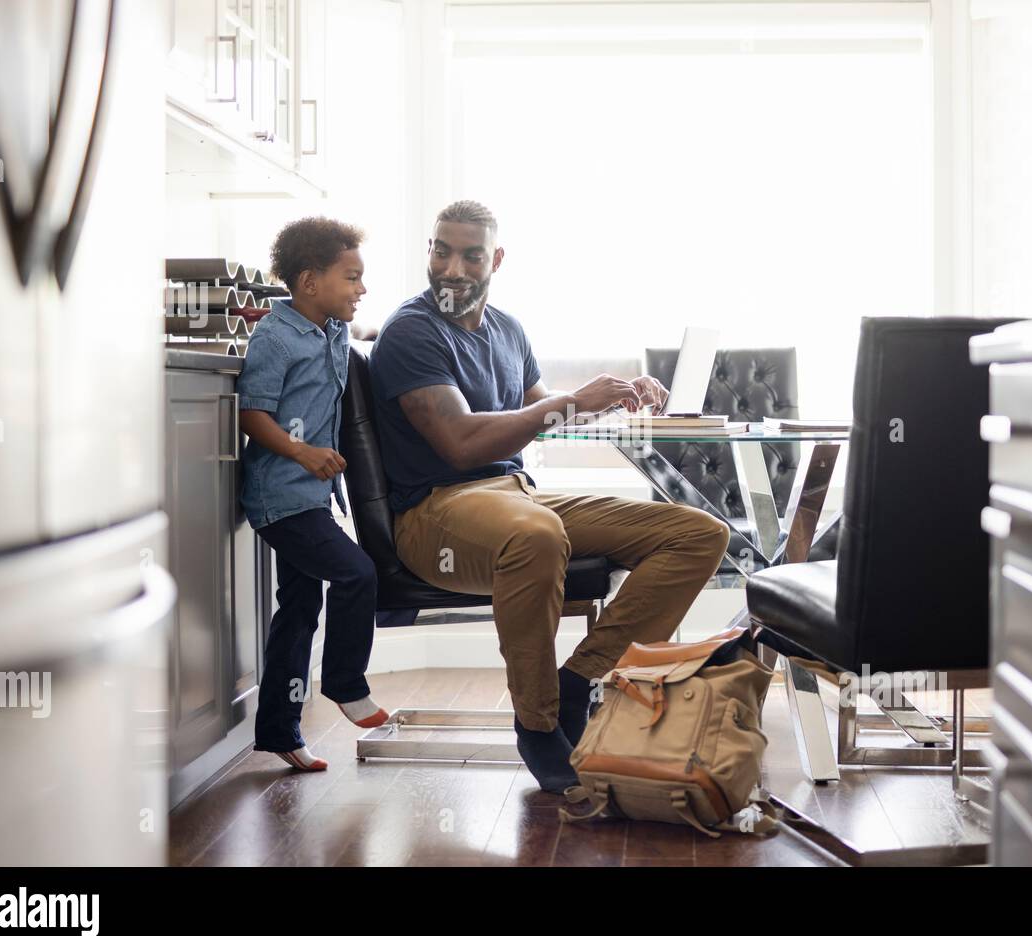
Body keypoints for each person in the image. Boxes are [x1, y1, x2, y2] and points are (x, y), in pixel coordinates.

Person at [368, 200, 731, 792]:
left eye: (471, 254)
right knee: (538, 534)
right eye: (441, 250)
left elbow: (543, 408)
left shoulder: (507, 329)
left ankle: (581, 679)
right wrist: (568, 403)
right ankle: (537, 725)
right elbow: (460, 443)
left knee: (697, 533)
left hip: (513, 494)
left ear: (497, 260)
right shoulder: (411, 332)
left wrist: (613, 395)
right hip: (434, 511)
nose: (453, 268)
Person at [236, 217, 390, 772]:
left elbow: (348, 355)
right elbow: (252, 413)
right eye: (351, 278)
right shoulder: (275, 338)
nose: (361, 289)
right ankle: (346, 682)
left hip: (313, 496)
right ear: (308, 282)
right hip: (281, 498)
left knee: (299, 608)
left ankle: (281, 731)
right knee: (357, 573)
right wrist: (302, 452)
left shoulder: (331, 330)